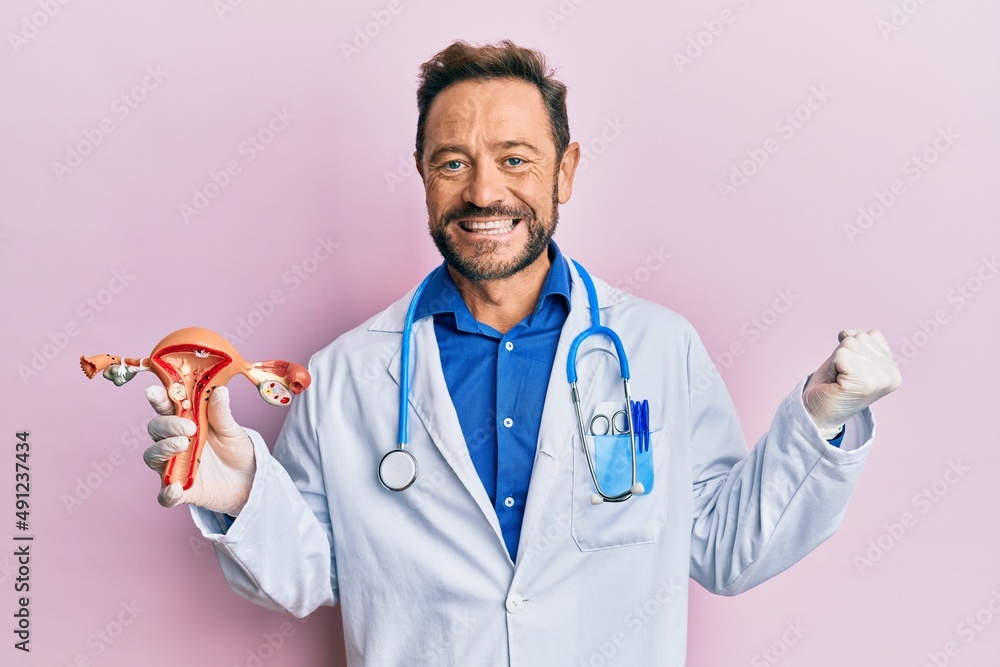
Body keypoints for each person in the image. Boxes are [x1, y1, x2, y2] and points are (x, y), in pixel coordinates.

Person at [143, 40, 902, 665]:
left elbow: (726, 546)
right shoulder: (348, 374)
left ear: (565, 171)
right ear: (422, 176)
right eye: (452, 162)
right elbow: (312, 573)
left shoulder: (656, 349)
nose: (482, 192)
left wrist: (821, 419)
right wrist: (242, 492)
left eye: (514, 160)